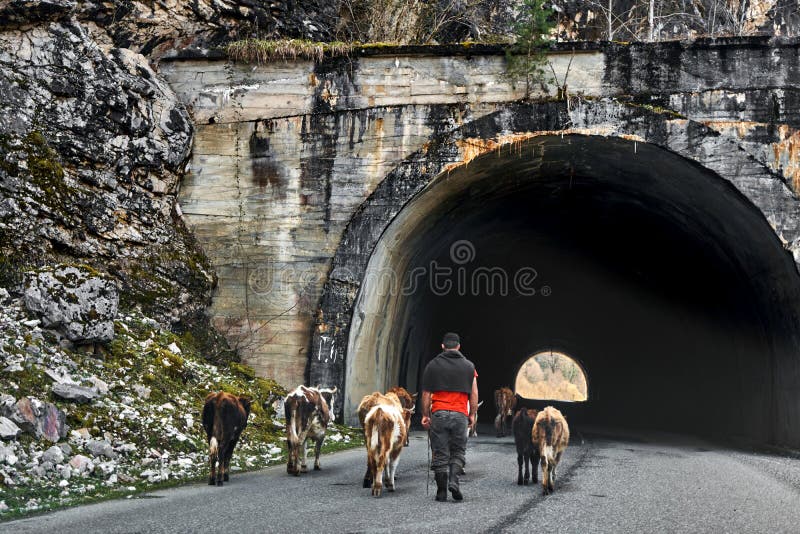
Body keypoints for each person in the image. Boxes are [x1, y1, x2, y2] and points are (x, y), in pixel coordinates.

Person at [420, 332, 479, 502]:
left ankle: (441, 491)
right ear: (459, 346)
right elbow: (474, 393)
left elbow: (426, 393)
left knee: (440, 452)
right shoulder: (469, 366)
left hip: (439, 414)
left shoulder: (432, 365)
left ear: (443, 346)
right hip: (460, 414)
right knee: (458, 450)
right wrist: (472, 413)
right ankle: (454, 480)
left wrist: (425, 414)